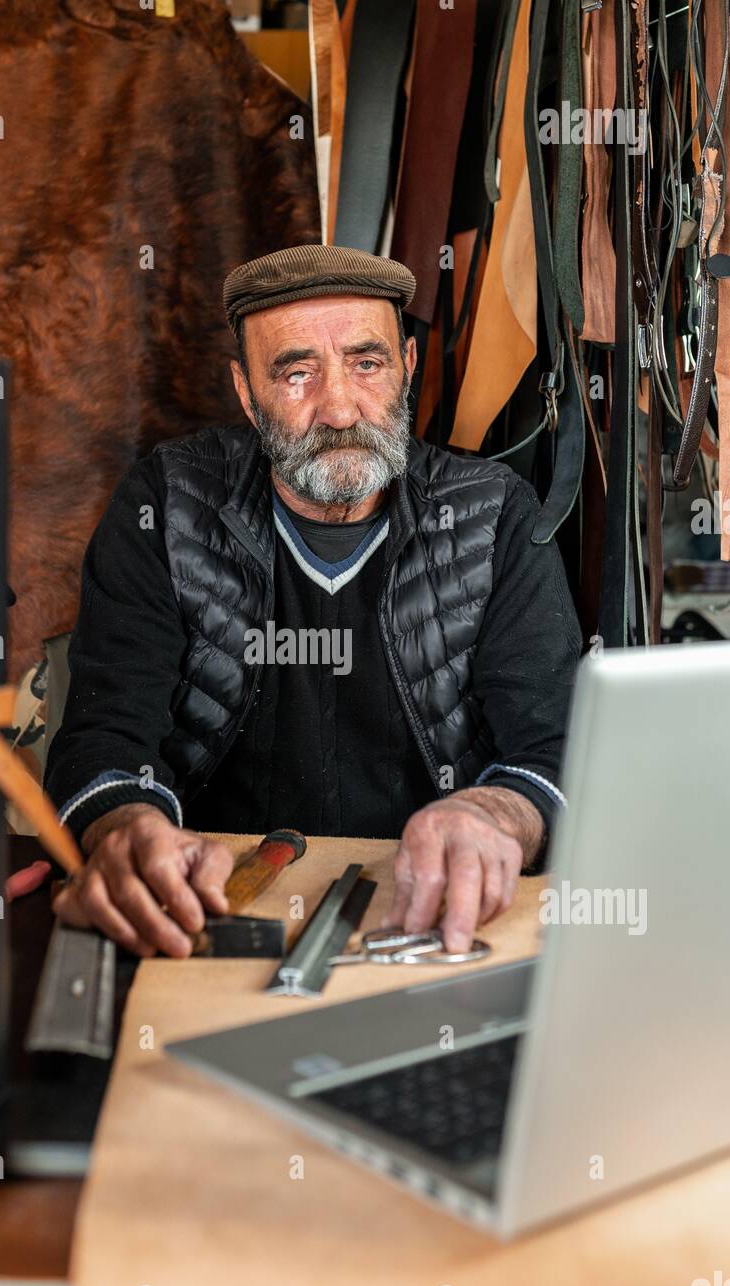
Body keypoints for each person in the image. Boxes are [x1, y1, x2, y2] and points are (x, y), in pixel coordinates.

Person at [45, 244, 582, 958]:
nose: (338, 409)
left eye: (367, 364)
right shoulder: (166, 506)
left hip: (431, 917)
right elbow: (101, 736)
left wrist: (495, 812)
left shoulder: (494, 516)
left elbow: (559, 747)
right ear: (245, 391)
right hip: (214, 914)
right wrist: (124, 826)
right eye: (296, 372)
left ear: (408, 367)